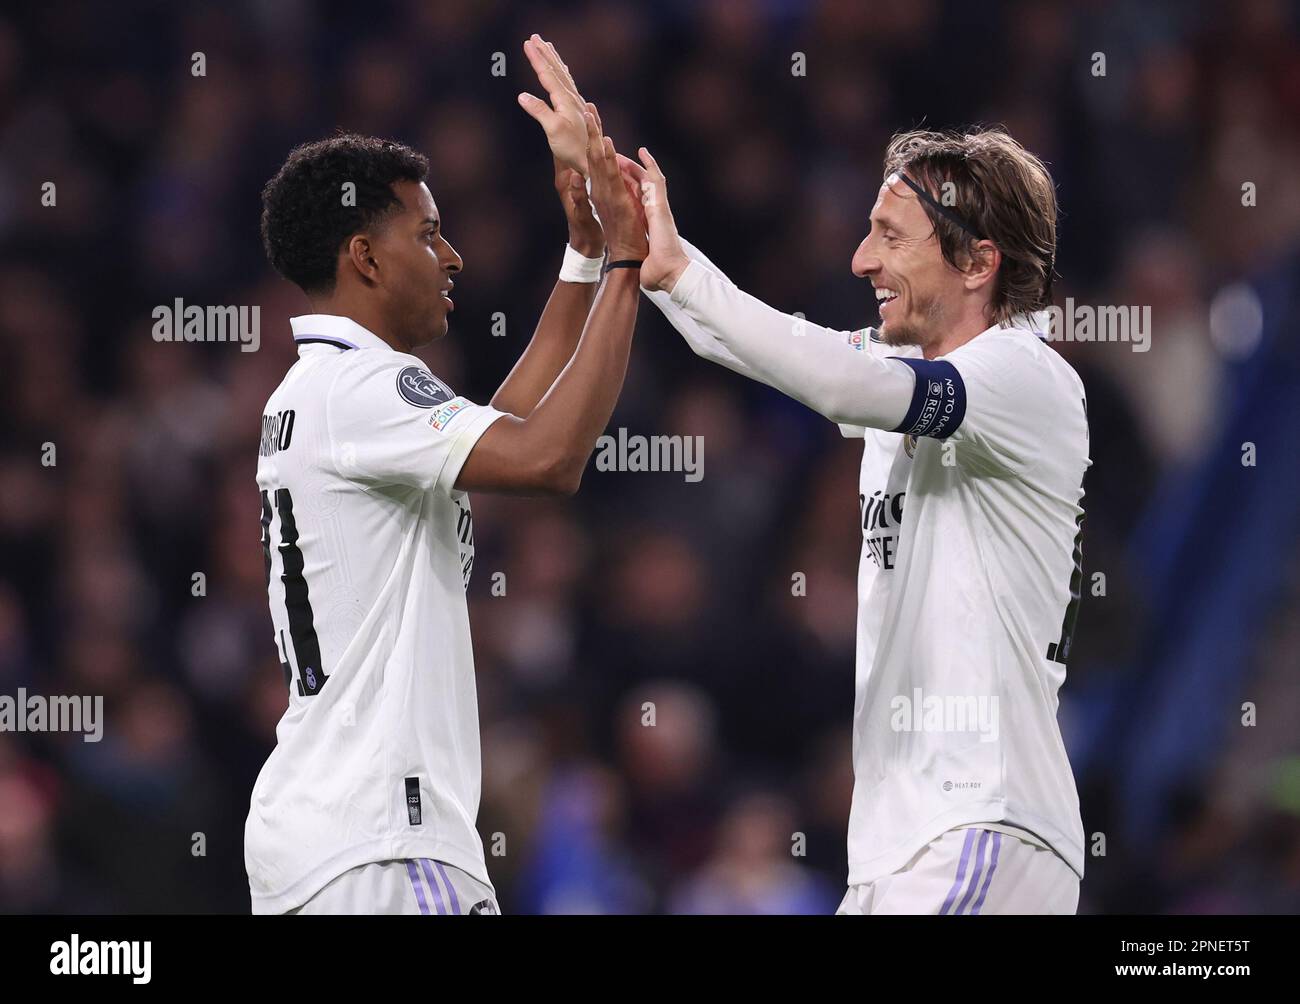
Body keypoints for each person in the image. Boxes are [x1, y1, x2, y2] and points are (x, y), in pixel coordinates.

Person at [530, 35, 1087, 914]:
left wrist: (673, 267)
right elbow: (757, 344)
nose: (862, 262)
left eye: (891, 238)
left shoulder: (1026, 379)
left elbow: (837, 376)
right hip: (901, 849)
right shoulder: (901, 373)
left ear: (980, 262)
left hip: (984, 826)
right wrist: (656, 257)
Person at [245, 35, 647, 914]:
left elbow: (510, 429)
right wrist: (627, 264)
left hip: (327, 834)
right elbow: (548, 457)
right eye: (428, 234)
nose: (452, 256)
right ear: (366, 257)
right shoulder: (361, 384)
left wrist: (583, 256)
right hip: (382, 836)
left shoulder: (327, 389)